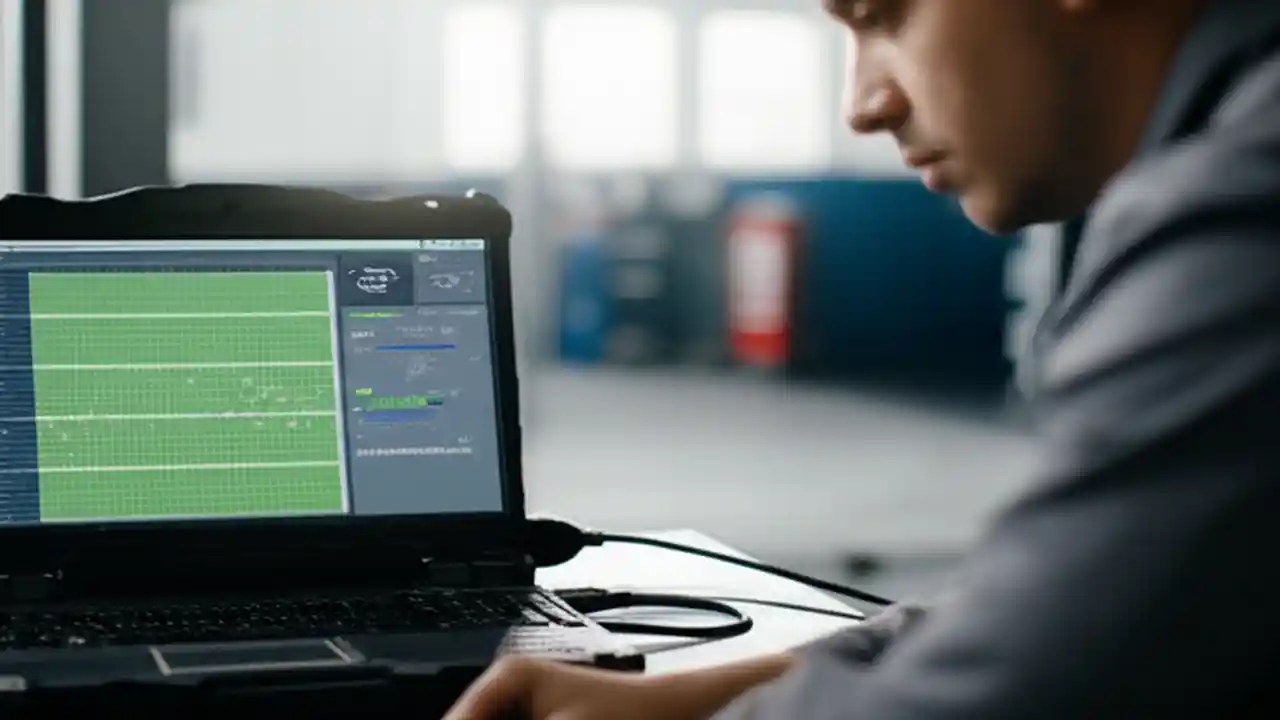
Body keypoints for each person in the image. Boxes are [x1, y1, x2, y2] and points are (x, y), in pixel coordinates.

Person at [446, 0, 1280, 716]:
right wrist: (710, 696)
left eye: (883, 18)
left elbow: (1016, 689)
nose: (864, 105)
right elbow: (1074, 601)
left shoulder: (1245, 204)